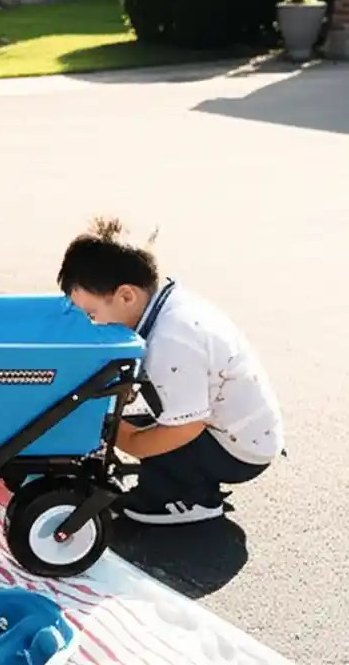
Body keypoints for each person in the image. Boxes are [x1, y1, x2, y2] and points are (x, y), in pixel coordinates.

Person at [57, 217, 286, 525]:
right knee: (129, 410)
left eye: (92, 314)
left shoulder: (172, 339)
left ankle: (185, 498)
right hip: (234, 428)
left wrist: (129, 440)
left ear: (127, 296)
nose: (92, 324)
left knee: (154, 428)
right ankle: (182, 478)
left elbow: (186, 427)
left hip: (237, 450)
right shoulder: (164, 300)